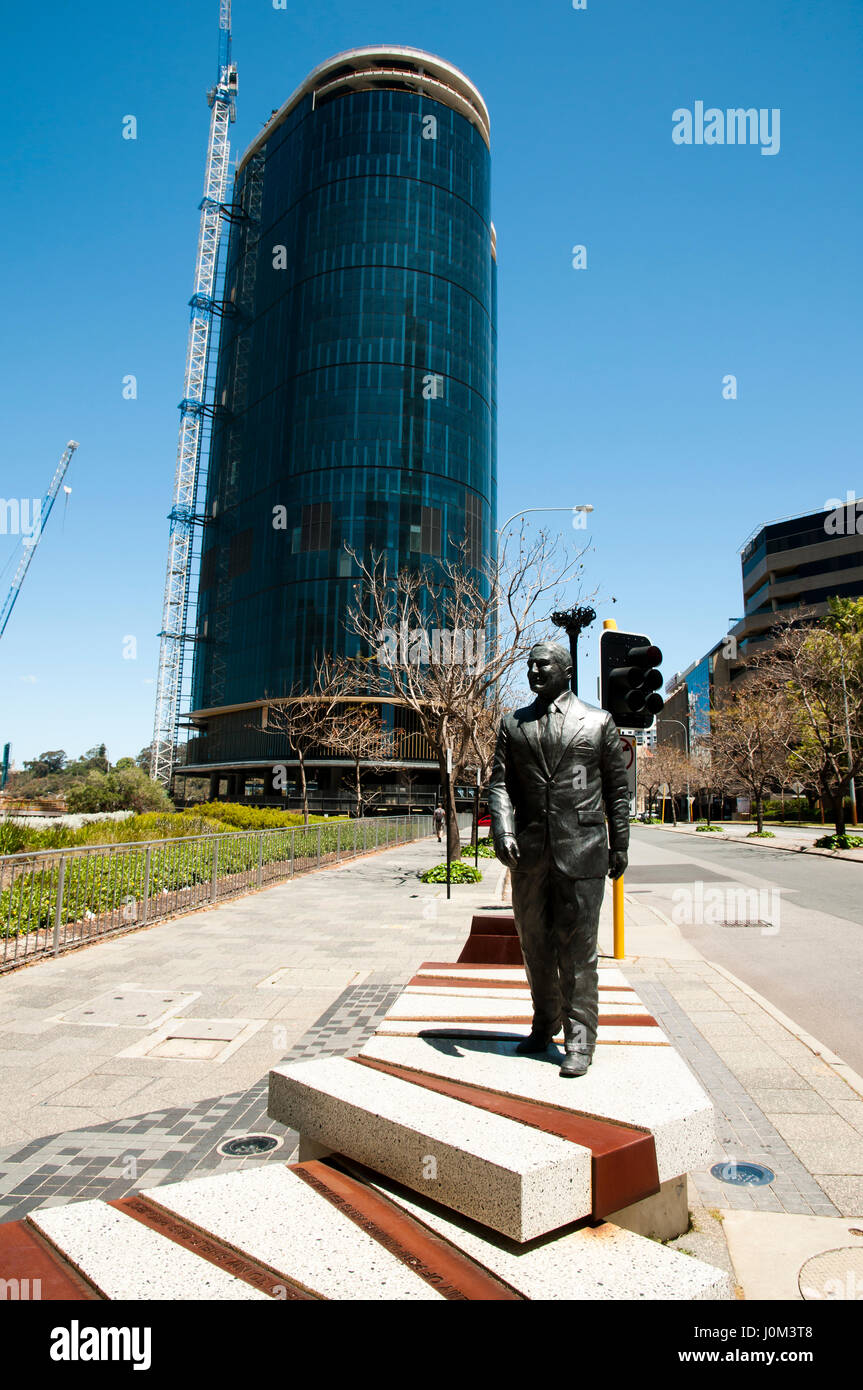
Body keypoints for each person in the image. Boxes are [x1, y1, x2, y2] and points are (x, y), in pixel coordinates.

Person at [489, 640, 629, 1077]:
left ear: (566, 670)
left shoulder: (598, 722)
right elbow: (500, 786)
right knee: (534, 944)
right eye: (529, 665)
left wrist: (619, 844)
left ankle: (581, 1039)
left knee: (578, 949)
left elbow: (617, 792)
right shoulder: (514, 724)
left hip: (583, 851)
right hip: (529, 854)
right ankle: (543, 1022)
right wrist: (504, 830)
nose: (533, 671)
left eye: (542, 665)